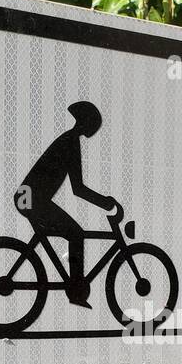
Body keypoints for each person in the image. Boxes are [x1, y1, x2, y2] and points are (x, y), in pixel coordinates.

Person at [14, 101, 120, 307]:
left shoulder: (69, 139)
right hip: (30, 198)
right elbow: (78, 189)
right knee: (76, 233)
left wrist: (104, 202)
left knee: (72, 233)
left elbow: (76, 188)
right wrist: (105, 203)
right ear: (86, 124)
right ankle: (76, 291)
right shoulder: (70, 142)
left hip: (28, 197)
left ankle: (75, 288)